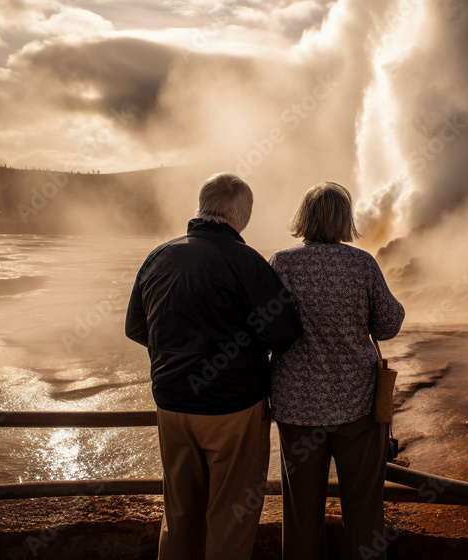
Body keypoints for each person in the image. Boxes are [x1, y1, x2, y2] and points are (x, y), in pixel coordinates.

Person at [125, 172, 303, 560]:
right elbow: (283, 331)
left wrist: (174, 357)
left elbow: (136, 327)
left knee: (179, 512)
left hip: (171, 405)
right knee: (231, 515)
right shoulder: (245, 261)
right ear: (243, 216)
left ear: (201, 207)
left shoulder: (160, 255)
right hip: (232, 408)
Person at [268, 181, 405, 560]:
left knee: (300, 513)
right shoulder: (362, 263)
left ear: (304, 218)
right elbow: (388, 326)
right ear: (344, 220)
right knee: (363, 509)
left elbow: (264, 327)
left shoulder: (282, 263)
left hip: (297, 408)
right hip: (357, 407)